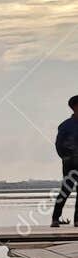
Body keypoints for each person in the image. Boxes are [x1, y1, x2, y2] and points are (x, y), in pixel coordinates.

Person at [52, 94, 78, 226]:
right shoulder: (65, 125)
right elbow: (58, 144)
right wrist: (65, 157)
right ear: (74, 107)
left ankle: (77, 220)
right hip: (70, 163)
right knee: (66, 190)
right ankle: (55, 218)